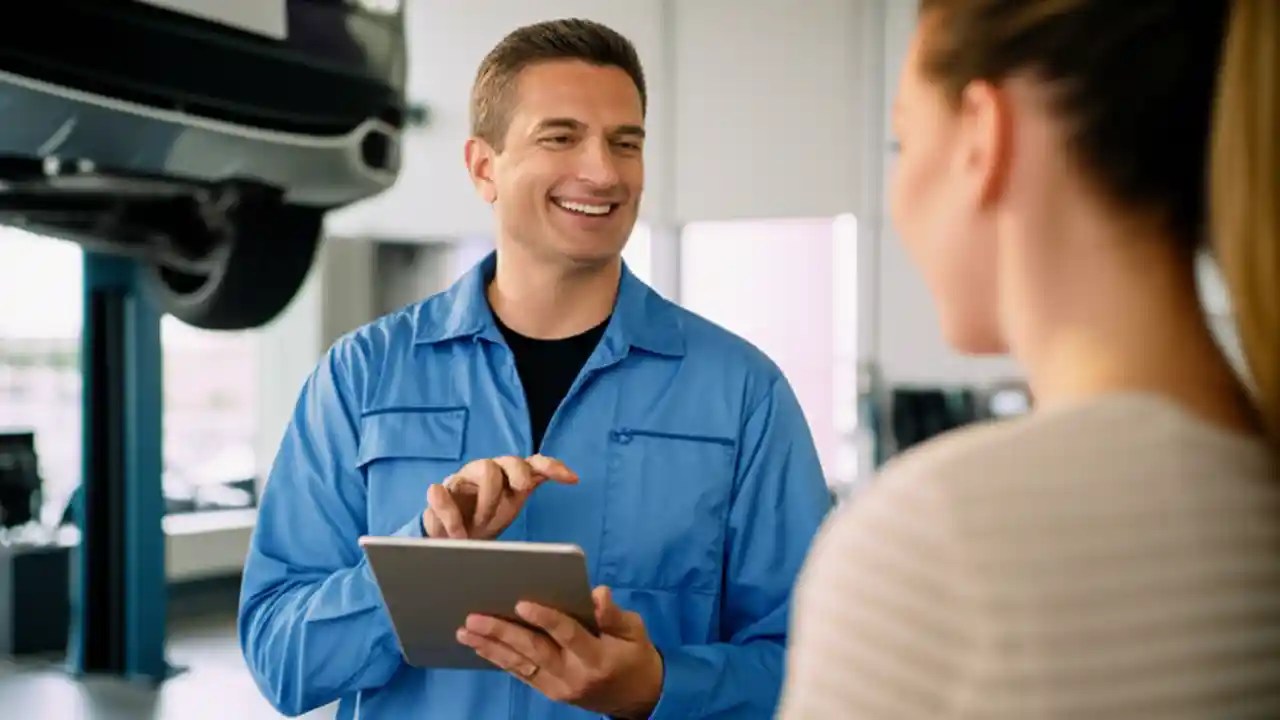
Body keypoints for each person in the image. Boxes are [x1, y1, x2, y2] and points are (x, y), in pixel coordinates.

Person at [237, 17, 832, 720]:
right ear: (482, 167)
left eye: (626, 143)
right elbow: (282, 660)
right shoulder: (360, 378)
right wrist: (419, 558)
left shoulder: (742, 394)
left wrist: (656, 685)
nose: (603, 172)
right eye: (560, 137)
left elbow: (820, 665)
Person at [778, 0, 1280, 718]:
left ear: (983, 136)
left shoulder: (937, 543)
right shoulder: (1254, 488)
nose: (900, 189)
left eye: (902, 142)